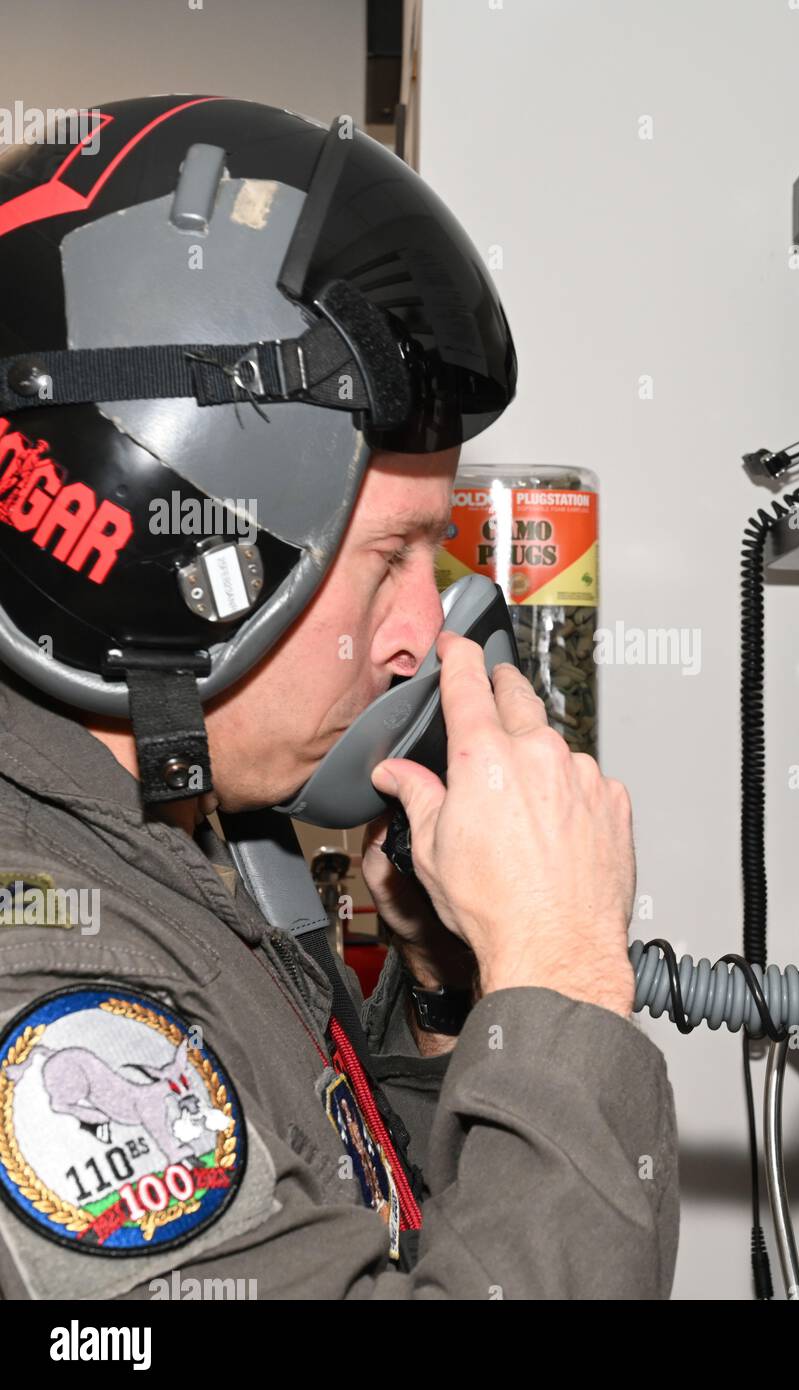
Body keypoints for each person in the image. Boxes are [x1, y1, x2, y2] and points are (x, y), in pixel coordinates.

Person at [0, 94, 677, 1299]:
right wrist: (567, 972)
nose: (423, 637)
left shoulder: (178, 830)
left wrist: (441, 986)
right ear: (171, 555)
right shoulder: (43, 973)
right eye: (387, 561)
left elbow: (345, 1217)